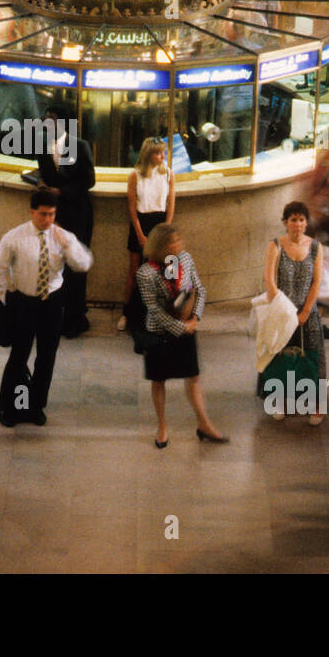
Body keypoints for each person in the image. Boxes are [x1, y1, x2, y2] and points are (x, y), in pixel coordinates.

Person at [0, 188, 93, 427]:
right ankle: (11, 407)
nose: (48, 220)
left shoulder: (62, 236)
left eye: (52, 214)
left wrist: (67, 245)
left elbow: (83, 264)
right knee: (19, 356)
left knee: (46, 358)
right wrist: (6, 301)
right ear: (32, 212)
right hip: (24, 302)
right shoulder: (14, 237)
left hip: (53, 303)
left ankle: (35, 406)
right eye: (43, 214)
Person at [135, 222, 226, 446]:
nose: (177, 245)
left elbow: (199, 289)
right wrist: (180, 328)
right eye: (171, 242)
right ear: (159, 247)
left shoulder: (183, 260)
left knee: (193, 377)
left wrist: (195, 317)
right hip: (160, 333)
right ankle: (162, 427)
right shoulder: (146, 273)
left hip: (187, 326)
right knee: (159, 381)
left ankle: (204, 424)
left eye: (178, 240)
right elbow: (154, 310)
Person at [263, 202, 327, 424]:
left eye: (301, 220)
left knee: (311, 356)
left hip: (307, 312)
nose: (297, 224)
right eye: (293, 220)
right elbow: (269, 281)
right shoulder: (275, 246)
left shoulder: (317, 247)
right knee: (280, 357)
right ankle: (280, 399)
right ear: (285, 222)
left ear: (306, 223)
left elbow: (317, 281)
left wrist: (306, 311)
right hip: (281, 310)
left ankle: (314, 403)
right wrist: (284, 311)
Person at [36, 104, 95, 337]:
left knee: (76, 266)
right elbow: (42, 173)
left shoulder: (80, 146)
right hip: (55, 215)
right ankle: (56, 315)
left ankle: (75, 318)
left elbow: (89, 180)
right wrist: (42, 185)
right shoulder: (42, 146)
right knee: (54, 264)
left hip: (78, 213)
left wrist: (63, 191)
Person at [119, 138, 174, 332]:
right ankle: (127, 314)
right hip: (140, 223)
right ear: (148, 154)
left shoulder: (168, 173)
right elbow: (132, 209)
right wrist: (140, 234)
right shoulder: (135, 175)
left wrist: (165, 231)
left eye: (164, 153)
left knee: (165, 272)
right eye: (159, 153)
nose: (163, 156)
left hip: (160, 225)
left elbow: (170, 204)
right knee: (135, 271)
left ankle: (165, 314)